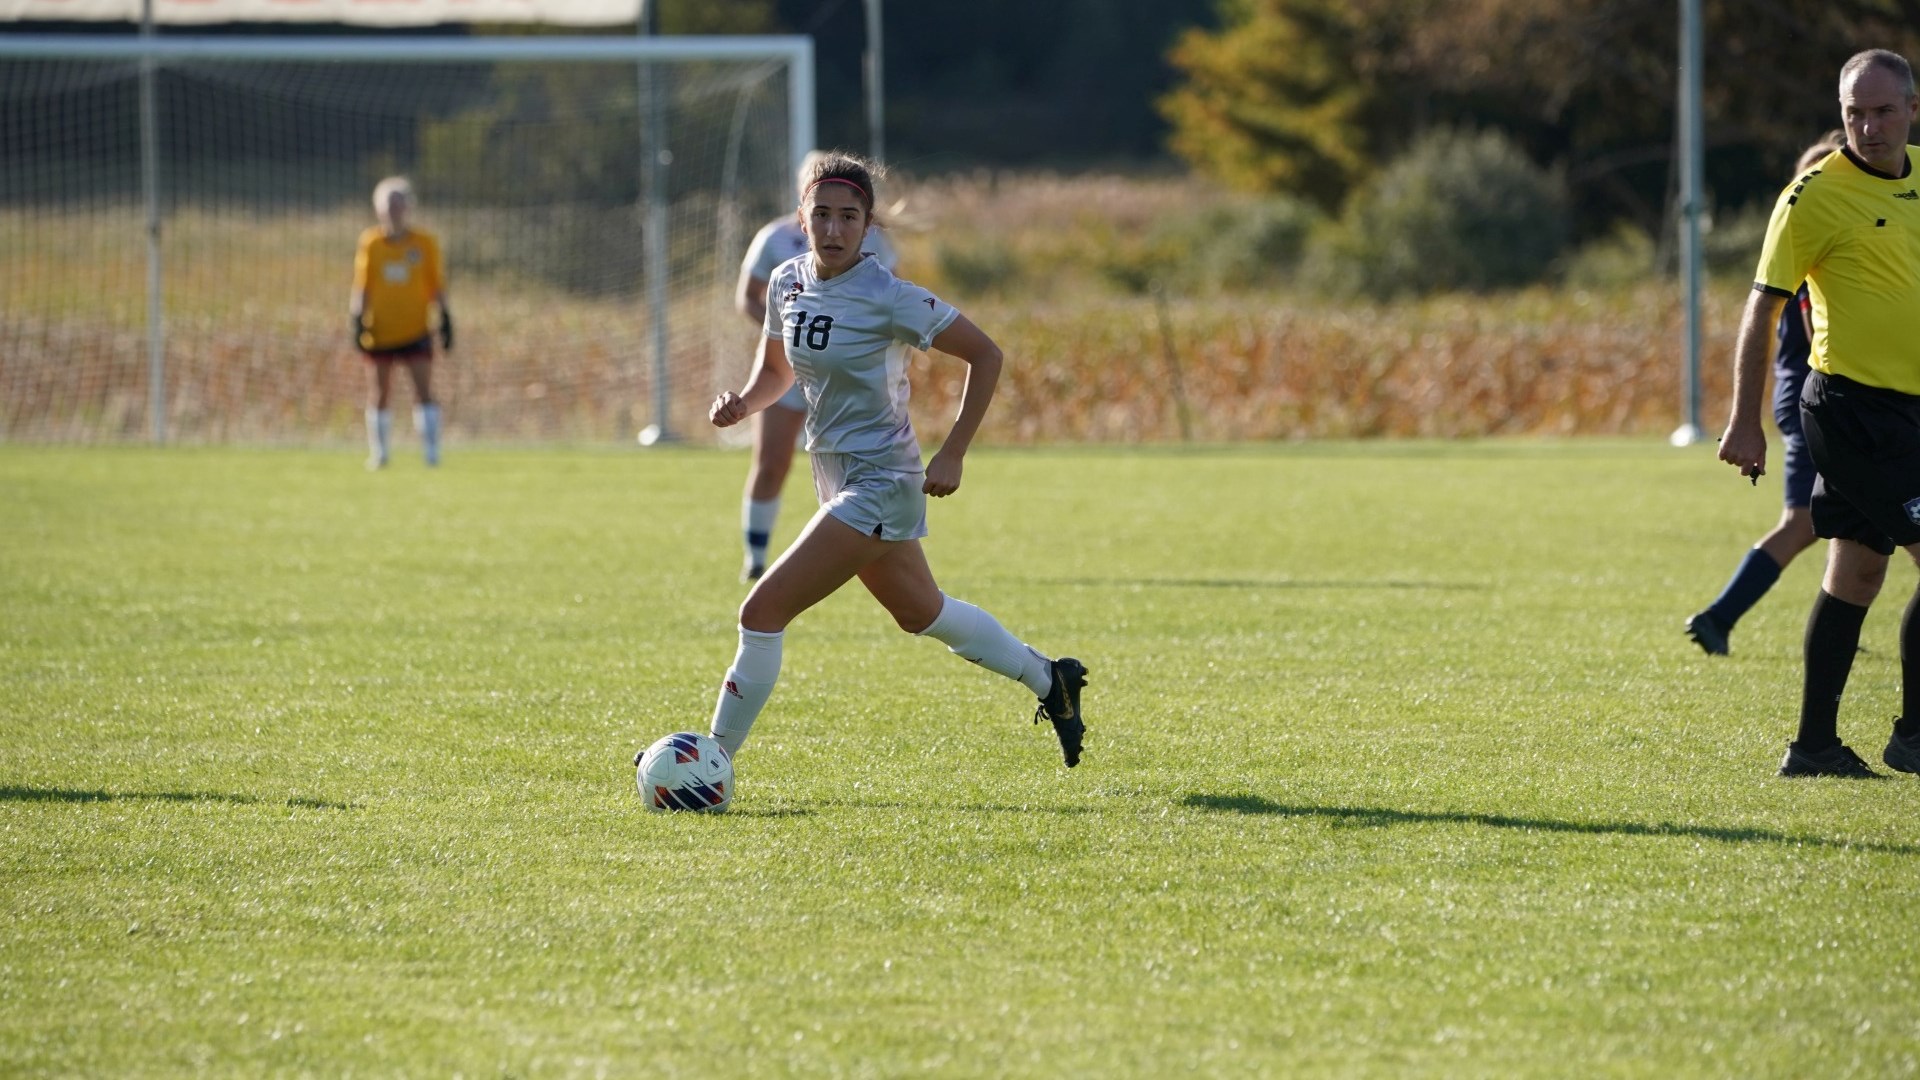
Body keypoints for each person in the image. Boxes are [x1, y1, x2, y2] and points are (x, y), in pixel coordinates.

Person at [691, 150, 1087, 770]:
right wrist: (742, 403)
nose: (833, 229)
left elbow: (986, 355)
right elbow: (775, 372)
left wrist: (953, 452)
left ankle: (712, 761)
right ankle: (1051, 680)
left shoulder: (889, 295)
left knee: (761, 611)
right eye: (821, 215)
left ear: (868, 225)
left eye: (849, 217)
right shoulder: (787, 281)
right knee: (923, 614)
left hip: (882, 481)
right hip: (837, 478)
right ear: (801, 217)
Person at [1716, 49, 1920, 778]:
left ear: (1912, 110)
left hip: (1912, 414)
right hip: (1853, 412)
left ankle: (1813, 747)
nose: (1867, 127)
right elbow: (1761, 307)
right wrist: (1745, 421)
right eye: (1853, 114)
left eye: (1882, 111)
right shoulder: (1812, 195)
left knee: (1858, 573)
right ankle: (1914, 736)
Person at [1685, 134, 1844, 655]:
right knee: (1802, 522)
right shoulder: (1811, 252)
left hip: (1816, 397)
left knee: (1847, 522)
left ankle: (1843, 619)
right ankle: (1720, 615)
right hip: (1812, 398)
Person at [733, 153, 901, 582]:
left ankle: (846, 554)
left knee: (849, 471)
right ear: (802, 199)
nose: (834, 225)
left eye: (846, 213)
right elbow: (747, 297)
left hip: (846, 375)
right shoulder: (774, 241)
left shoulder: (873, 243)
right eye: (820, 206)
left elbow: (894, 302)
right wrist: (796, 334)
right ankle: (755, 556)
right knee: (772, 462)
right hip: (788, 369)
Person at [351, 176, 452, 469]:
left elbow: (436, 285)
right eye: (387, 204)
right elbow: (362, 286)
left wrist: (445, 317)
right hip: (380, 330)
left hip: (415, 329)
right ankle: (380, 454)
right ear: (377, 208)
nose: (393, 210)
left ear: (408, 206)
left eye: (398, 203)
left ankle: (431, 453)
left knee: (424, 392)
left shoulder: (424, 243)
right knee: (379, 393)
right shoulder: (371, 243)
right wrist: (356, 319)